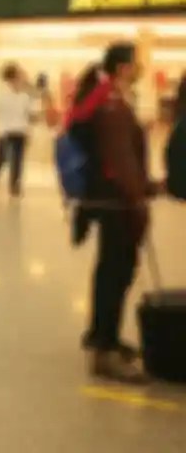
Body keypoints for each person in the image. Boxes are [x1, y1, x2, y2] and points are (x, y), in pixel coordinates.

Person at [70, 43, 157, 382]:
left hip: (106, 199)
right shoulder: (111, 104)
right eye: (137, 63)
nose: (140, 69)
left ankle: (102, 336)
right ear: (123, 67)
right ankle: (104, 352)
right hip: (117, 201)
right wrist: (139, 195)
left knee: (111, 268)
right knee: (116, 272)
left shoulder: (105, 98)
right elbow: (119, 159)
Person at [0, 63, 33, 196]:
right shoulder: (2, 95)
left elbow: (29, 114)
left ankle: (15, 185)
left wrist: (28, 130)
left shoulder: (25, 96)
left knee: (18, 160)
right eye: (18, 75)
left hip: (20, 131)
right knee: (1, 157)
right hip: (4, 132)